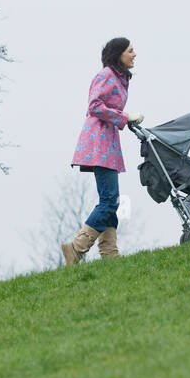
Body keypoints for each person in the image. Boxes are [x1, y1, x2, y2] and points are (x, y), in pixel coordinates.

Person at [62, 37, 144, 264]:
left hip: (107, 143)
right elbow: (95, 105)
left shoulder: (118, 78)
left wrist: (124, 119)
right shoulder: (106, 74)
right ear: (119, 54)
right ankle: (77, 247)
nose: (134, 54)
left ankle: (109, 253)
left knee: (110, 200)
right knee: (109, 201)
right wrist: (124, 117)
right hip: (98, 143)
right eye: (130, 50)